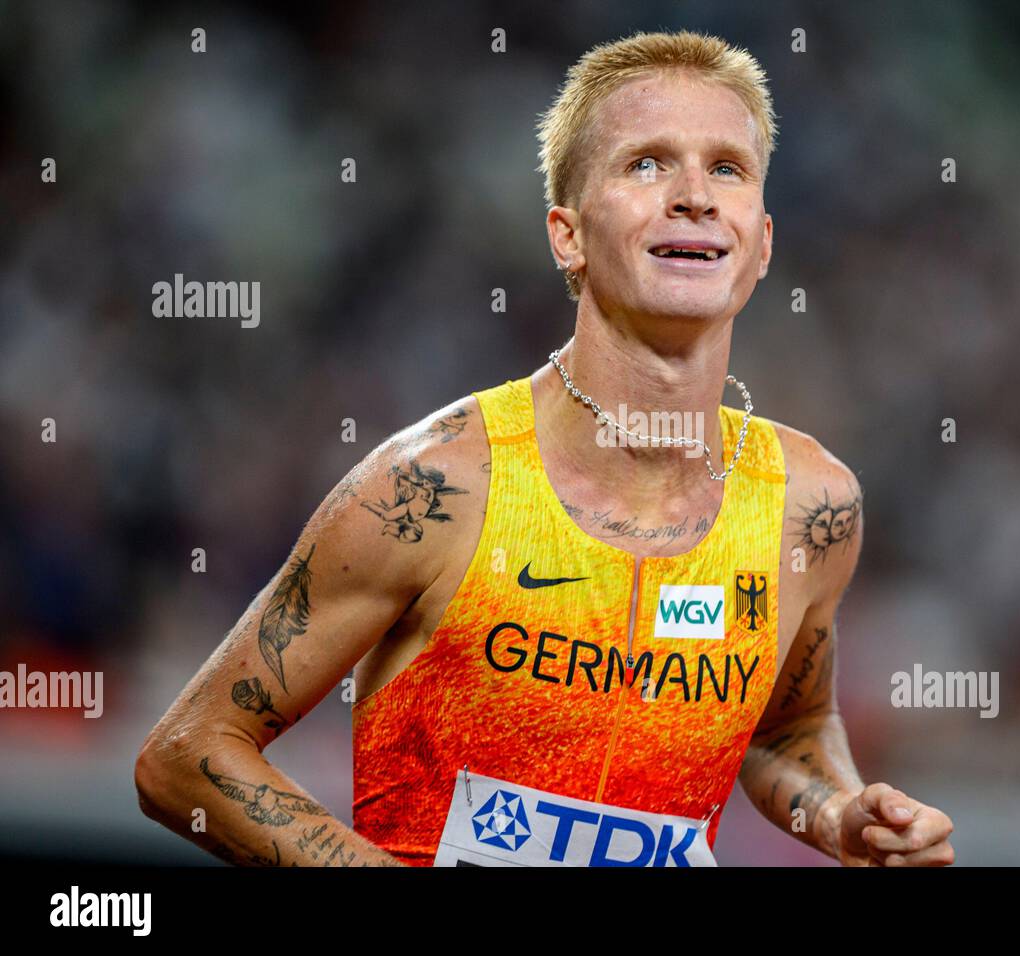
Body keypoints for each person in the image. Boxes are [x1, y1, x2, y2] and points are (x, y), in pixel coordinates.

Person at [135, 29, 954, 868]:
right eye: (645, 164)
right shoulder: (435, 489)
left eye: (728, 169)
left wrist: (841, 815)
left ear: (763, 241)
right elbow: (188, 755)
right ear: (567, 235)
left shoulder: (810, 507)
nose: (695, 196)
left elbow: (787, 730)